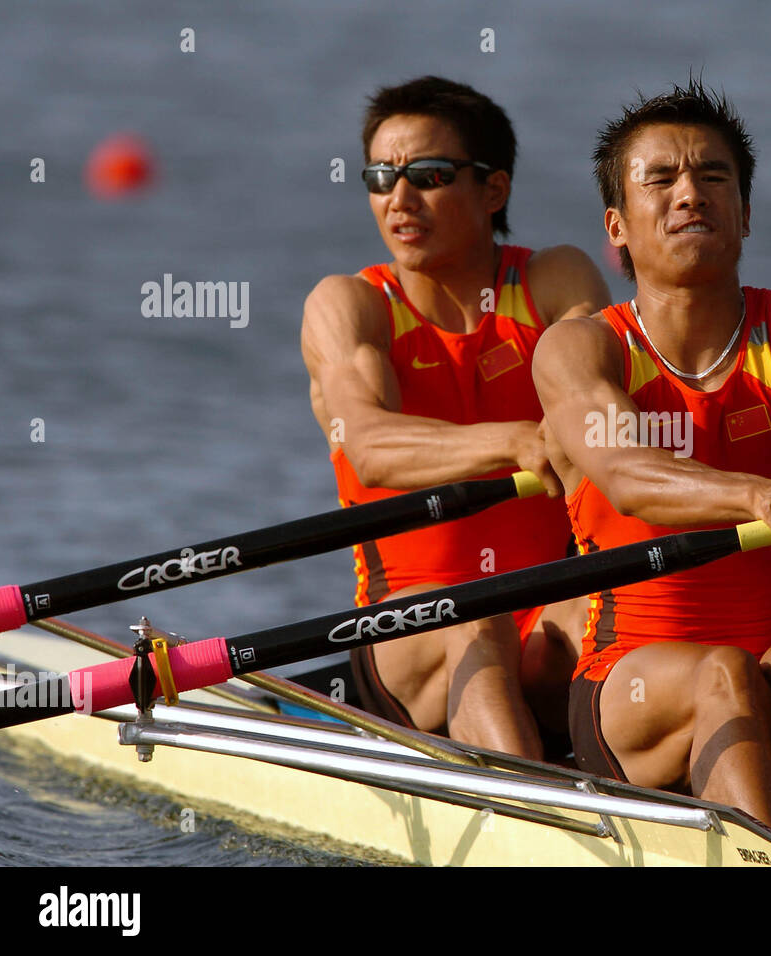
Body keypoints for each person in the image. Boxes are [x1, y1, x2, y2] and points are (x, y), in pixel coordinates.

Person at [532, 79, 771, 846]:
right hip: (627, 691)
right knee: (724, 674)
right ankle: (770, 852)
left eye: (714, 178)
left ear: (744, 213)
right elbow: (625, 473)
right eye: (661, 180)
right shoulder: (581, 348)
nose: (691, 195)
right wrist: (756, 493)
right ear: (618, 226)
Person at [300, 76, 610, 759]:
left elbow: (602, 402)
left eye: (429, 176)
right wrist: (517, 441)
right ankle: (543, 821)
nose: (398, 200)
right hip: (406, 634)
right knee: (475, 620)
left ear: (493, 190)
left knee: (644, 622)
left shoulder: (554, 281)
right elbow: (372, 446)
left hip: (544, 614)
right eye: (381, 177)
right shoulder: (352, 306)